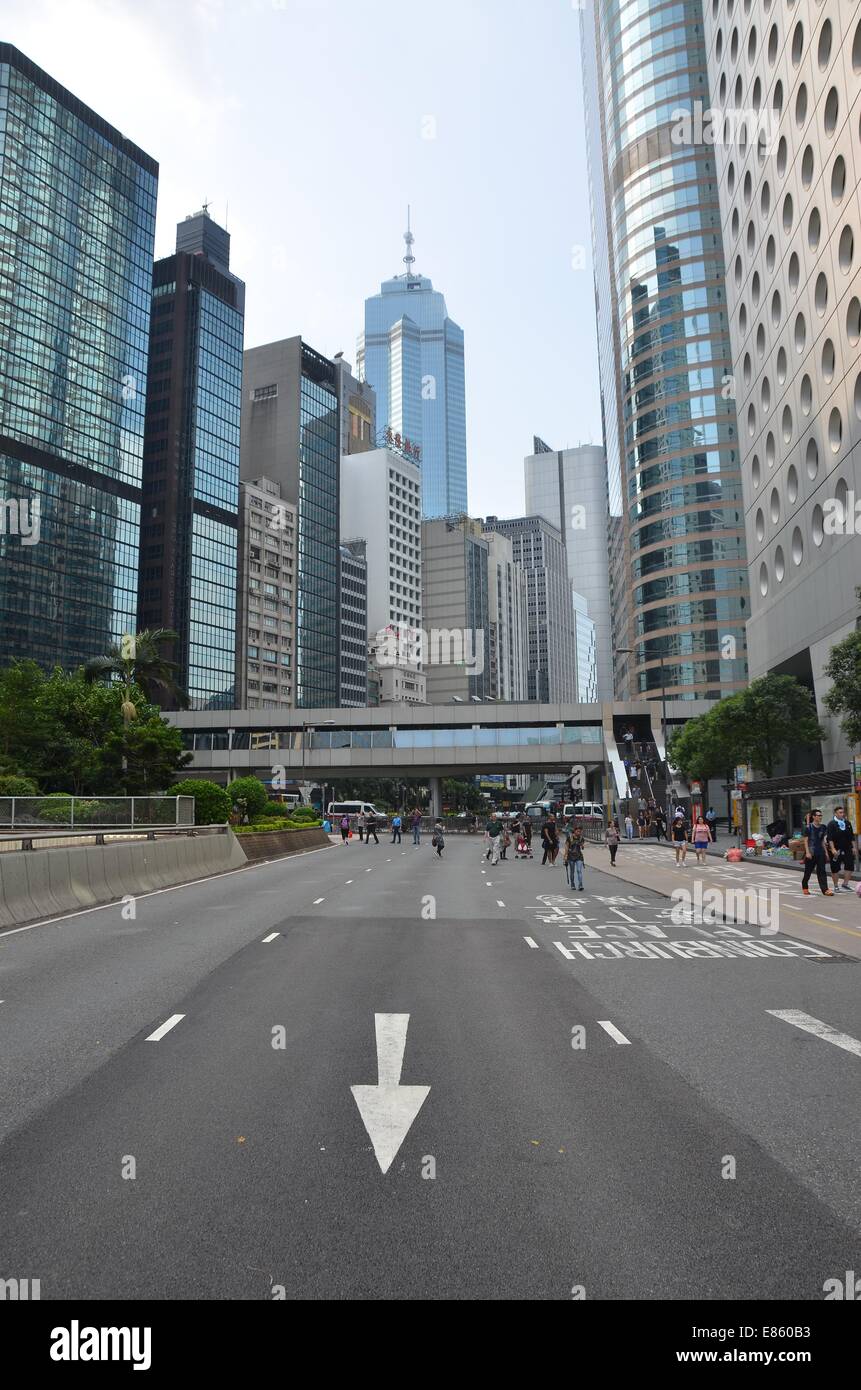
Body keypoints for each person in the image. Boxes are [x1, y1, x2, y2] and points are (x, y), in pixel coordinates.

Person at [802, 809, 833, 895]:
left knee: (822, 871)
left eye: (821, 815)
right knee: (808, 872)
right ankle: (805, 886)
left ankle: (825, 890)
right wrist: (807, 853)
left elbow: (822, 841)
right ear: (814, 817)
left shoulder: (823, 827)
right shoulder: (809, 828)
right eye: (818, 815)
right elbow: (805, 841)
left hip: (820, 852)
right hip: (811, 853)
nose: (820, 817)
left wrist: (826, 852)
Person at [825, 804, 855, 892]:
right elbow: (829, 838)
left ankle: (845, 884)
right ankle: (836, 886)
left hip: (847, 848)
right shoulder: (831, 824)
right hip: (836, 849)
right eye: (840, 812)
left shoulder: (847, 823)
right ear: (835, 814)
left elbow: (851, 836)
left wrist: (853, 847)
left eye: (843, 812)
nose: (842, 814)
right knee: (835, 868)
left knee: (850, 866)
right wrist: (833, 849)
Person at [563, 824, 585, 891]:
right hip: (571, 856)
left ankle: (580, 884)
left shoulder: (581, 838)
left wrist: (582, 846)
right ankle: (572, 884)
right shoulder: (569, 838)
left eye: (580, 831)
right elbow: (566, 847)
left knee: (579, 870)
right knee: (572, 871)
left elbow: (582, 847)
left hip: (579, 856)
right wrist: (565, 856)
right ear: (574, 831)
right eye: (578, 831)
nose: (579, 832)